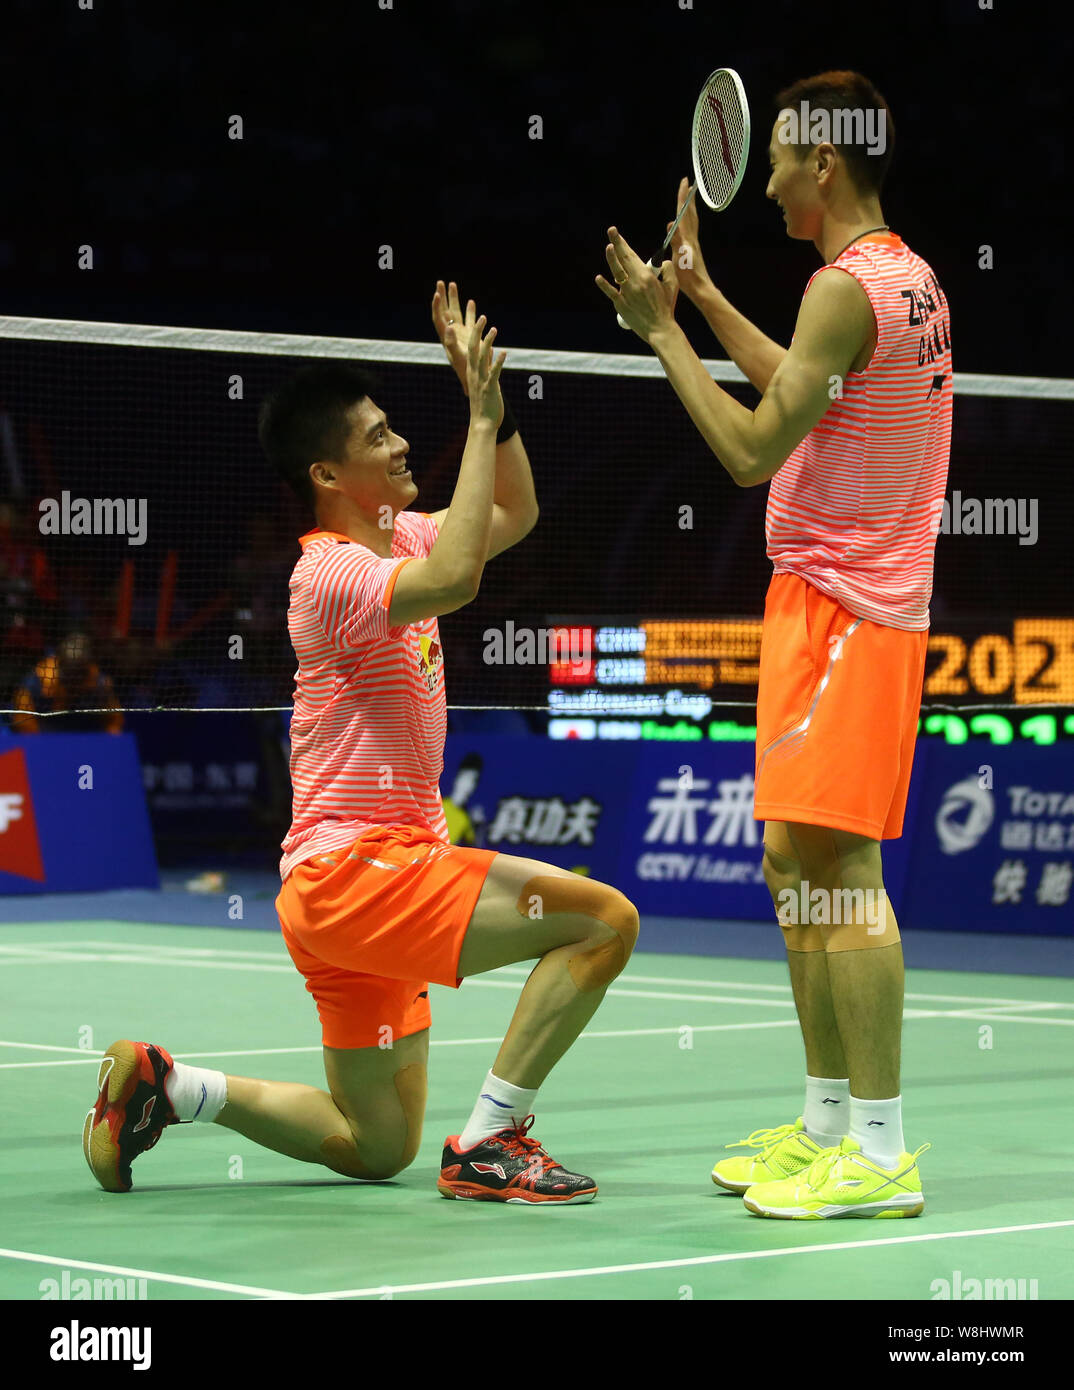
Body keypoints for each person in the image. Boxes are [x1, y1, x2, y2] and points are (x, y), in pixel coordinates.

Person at [84, 285, 640, 1204]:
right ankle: (494, 1141)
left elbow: (511, 515)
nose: (399, 443)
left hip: (345, 896)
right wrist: (481, 412)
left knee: (374, 1144)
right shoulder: (332, 571)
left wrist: (491, 424)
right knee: (604, 923)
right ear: (329, 475)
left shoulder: (397, 538)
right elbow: (459, 578)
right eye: (378, 435)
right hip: (360, 871)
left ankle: (168, 1089)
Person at [599, 71, 949, 1218]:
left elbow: (753, 449)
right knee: (794, 867)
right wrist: (699, 295)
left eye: (786, 155)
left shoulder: (848, 291)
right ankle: (827, 1122)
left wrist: (660, 336)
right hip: (817, 605)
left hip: (855, 612)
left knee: (844, 872)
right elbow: (806, 392)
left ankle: (885, 1150)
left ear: (827, 167)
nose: (770, 174)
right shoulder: (890, 282)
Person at [10, 631, 123, 733]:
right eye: (69, 669)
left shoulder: (100, 683)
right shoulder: (36, 681)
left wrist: (109, 742)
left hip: (85, 736)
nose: (73, 675)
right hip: (44, 734)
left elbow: (114, 721)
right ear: (60, 662)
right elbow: (23, 722)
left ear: (87, 664)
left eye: (78, 670)